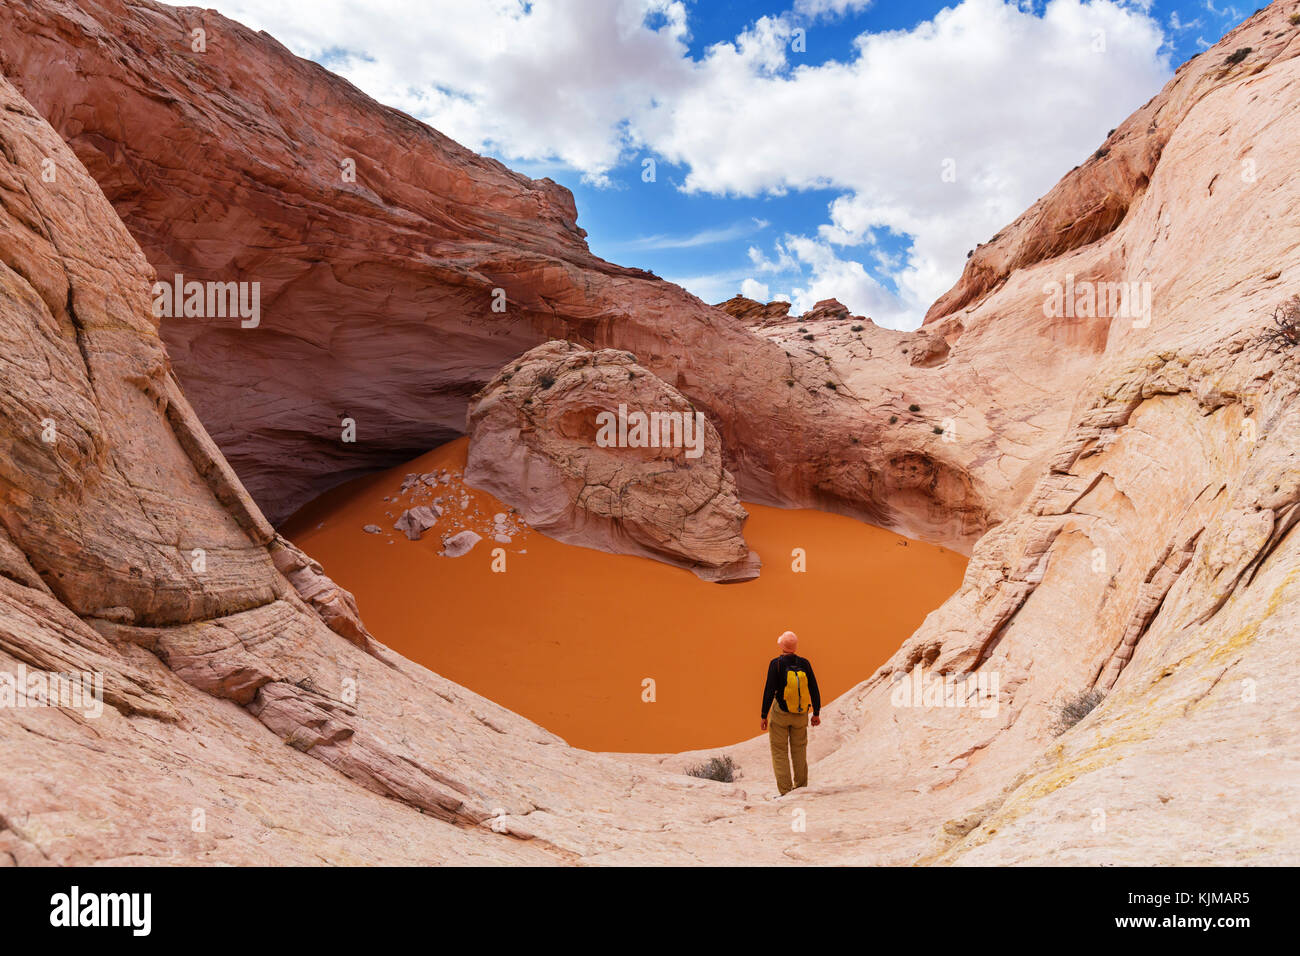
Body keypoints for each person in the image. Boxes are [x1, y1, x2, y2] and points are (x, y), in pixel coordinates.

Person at [760, 630, 821, 795]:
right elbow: (814, 688)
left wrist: (764, 715)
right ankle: (801, 787)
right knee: (799, 750)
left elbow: (769, 690)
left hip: (780, 714)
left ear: (781, 645)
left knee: (779, 751)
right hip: (800, 714)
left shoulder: (776, 664)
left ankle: (785, 792)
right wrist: (816, 712)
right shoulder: (804, 663)